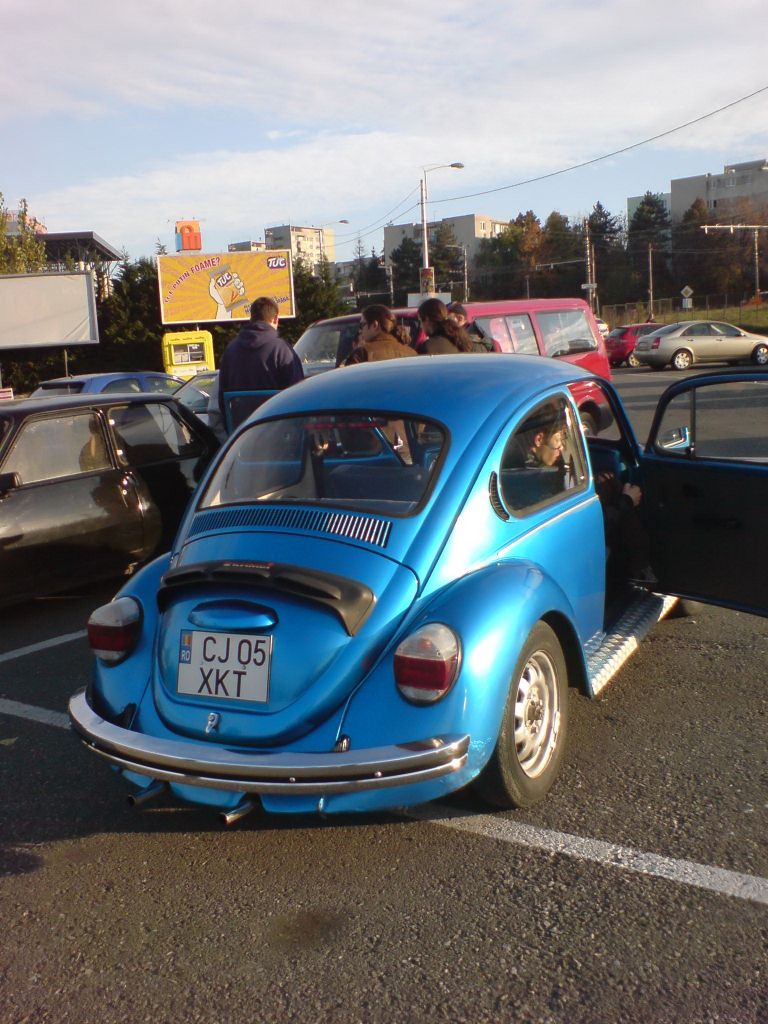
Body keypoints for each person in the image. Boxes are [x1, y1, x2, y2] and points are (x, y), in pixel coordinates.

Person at [218, 296, 303, 423]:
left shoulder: (231, 350)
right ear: (275, 319)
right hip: (275, 428)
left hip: (241, 431)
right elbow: (298, 393)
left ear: (251, 318)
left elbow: (222, 398)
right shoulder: (282, 349)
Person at [343, 305, 417, 365]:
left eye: (362, 324)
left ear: (375, 325)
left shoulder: (362, 354)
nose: (360, 330)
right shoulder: (411, 353)